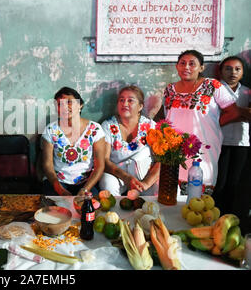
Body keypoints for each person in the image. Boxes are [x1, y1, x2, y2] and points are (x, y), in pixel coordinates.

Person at [156, 50, 251, 188]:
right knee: (172, 191)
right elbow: (166, 116)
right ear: (177, 66)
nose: (186, 67)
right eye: (182, 63)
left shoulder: (212, 85)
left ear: (201, 68)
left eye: (192, 64)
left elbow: (234, 112)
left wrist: (214, 124)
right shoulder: (170, 89)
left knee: (199, 193)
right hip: (174, 148)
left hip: (203, 146)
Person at [41, 87, 106, 196]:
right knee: (54, 209)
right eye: (59, 104)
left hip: (86, 183)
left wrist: (85, 190)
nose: (64, 107)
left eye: (69, 102)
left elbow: (100, 166)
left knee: (89, 208)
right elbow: (47, 165)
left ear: (80, 105)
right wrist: (60, 190)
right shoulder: (51, 130)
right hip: (58, 182)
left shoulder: (95, 129)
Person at [99, 85, 160, 196]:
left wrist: (146, 183)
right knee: (107, 182)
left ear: (140, 106)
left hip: (144, 176)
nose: (125, 104)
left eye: (130, 100)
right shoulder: (108, 125)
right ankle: (113, 213)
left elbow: (160, 161)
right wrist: (126, 178)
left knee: (162, 188)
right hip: (117, 175)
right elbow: (104, 160)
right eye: (121, 100)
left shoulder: (150, 126)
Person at [213, 56, 250, 215]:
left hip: (242, 143)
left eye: (237, 69)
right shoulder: (215, 89)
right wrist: (241, 113)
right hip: (219, 142)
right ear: (220, 71)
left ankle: (229, 217)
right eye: (228, 68)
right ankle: (215, 215)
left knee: (234, 183)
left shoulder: (247, 92)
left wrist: (232, 113)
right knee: (218, 182)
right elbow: (215, 117)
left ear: (243, 72)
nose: (232, 72)